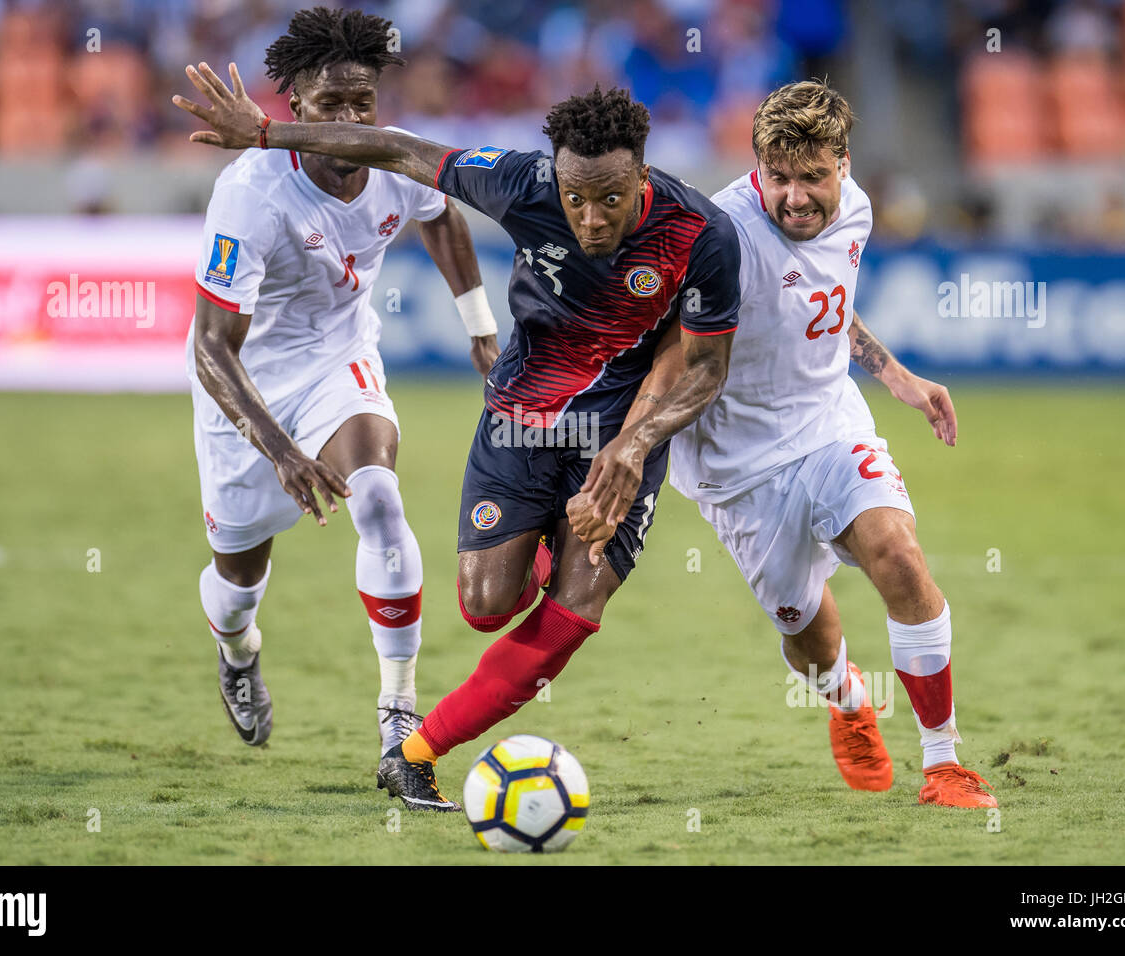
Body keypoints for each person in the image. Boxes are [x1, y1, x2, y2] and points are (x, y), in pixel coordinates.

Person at [174, 70, 740, 810]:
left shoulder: (701, 233)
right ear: (553, 178)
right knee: (483, 606)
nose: (591, 218)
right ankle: (538, 541)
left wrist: (635, 447)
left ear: (643, 173)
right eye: (574, 198)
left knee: (576, 605)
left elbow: (705, 368)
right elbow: (398, 153)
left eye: (611, 198)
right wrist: (266, 134)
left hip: (616, 440)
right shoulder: (516, 182)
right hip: (520, 418)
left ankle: (414, 748)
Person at [571, 80, 996, 808]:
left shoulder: (858, 210)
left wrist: (896, 375)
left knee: (897, 552)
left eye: (814, 178)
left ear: (844, 165)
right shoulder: (717, 236)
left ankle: (944, 764)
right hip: (736, 467)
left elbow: (828, 304)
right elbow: (665, 351)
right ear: (756, 167)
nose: (796, 198)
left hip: (830, 424)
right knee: (811, 633)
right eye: (780, 178)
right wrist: (625, 448)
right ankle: (847, 698)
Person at [182, 9, 497, 757]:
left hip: (340, 360)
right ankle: (237, 651)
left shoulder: (393, 160)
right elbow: (210, 348)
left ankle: (398, 712)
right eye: (332, 106)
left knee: (381, 501)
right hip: (246, 387)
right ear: (295, 107)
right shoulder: (251, 192)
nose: (352, 121)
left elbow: (442, 213)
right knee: (237, 582)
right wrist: (284, 453)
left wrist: (480, 326)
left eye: (364, 105)